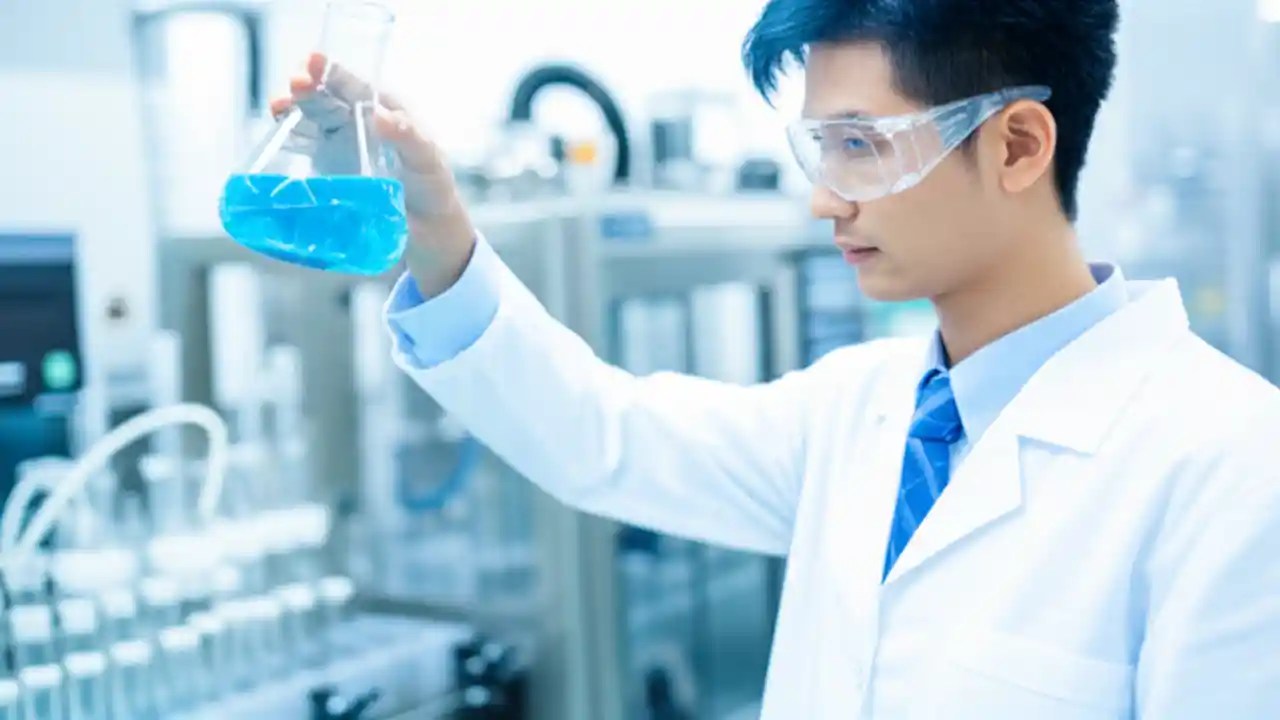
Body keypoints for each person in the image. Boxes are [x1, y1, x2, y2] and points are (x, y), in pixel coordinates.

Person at [275, 1, 1280, 717]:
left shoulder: (1229, 466)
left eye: (860, 144)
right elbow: (600, 436)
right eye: (818, 150)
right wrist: (440, 226)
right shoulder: (858, 410)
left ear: (1017, 145)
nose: (823, 198)